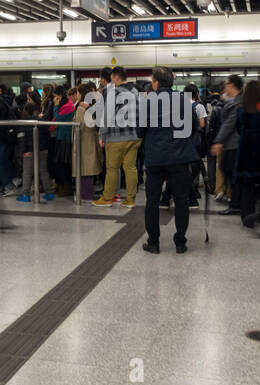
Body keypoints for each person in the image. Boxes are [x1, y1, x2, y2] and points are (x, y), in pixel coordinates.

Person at [139, 66, 197, 253]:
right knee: (181, 200)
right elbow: (194, 126)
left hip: (155, 158)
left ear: (156, 83)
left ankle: (153, 242)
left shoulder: (148, 103)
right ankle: (180, 242)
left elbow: (140, 131)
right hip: (180, 158)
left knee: (152, 201)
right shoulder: (184, 101)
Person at [94, 66, 140, 208]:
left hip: (116, 137)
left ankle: (107, 198)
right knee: (130, 168)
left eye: (112, 78)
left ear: (116, 78)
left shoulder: (110, 91)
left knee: (112, 168)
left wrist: (102, 134)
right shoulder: (135, 91)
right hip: (134, 136)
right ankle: (130, 199)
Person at [233, 80, 260, 229]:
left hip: (246, 148)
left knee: (247, 185)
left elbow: (238, 128)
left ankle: (246, 215)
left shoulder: (241, 109)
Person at [209, 75, 243, 215]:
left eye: (227, 84)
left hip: (234, 144)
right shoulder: (236, 100)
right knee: (228, 170)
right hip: (233, 143)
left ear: (232, 85)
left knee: (229, 171)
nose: (225, 87)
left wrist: (218, 141)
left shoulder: (237, 103)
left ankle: (236, 204)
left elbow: (228, 124)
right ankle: (236, 202)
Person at [16, 99, 55, 202]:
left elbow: (21, 138)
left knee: (27, 172)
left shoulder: (24, 123)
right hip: (42, 150)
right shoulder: (41, 121)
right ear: (35, 111)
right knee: (43, 171)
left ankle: (25, 195)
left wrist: (24, 151)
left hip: (29, 151)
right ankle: (49, 192)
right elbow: (47, 135)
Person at [73, 82, 101, 201]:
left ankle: (86, 196)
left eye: (78, 93)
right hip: (90, 139)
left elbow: (83, 125)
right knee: (87, 168)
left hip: (84, 140)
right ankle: (87, 194)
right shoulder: (92, 106)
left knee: (85, 169)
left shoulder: (81, 108)